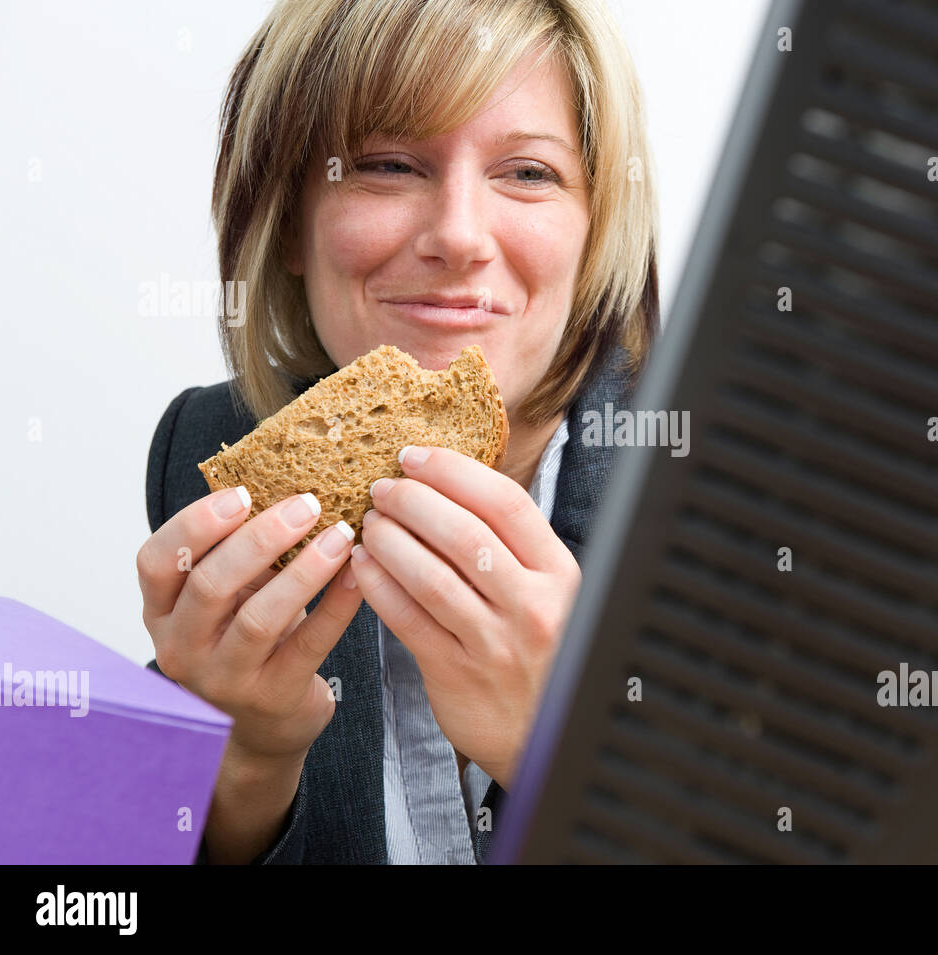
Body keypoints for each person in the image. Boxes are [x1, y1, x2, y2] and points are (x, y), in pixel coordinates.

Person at [136, 0, 659, 864]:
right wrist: (244, 768)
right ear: (291, 218)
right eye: (386, 164)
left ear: (594, 223)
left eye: (528, 173)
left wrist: (578, 769)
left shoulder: (740, 494)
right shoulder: (217, 458)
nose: (458, 236)